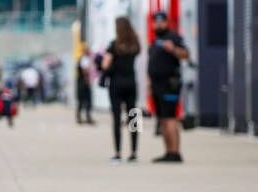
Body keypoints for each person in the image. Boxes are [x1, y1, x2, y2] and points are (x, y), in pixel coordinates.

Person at [147, 10, 190, 162]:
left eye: (161, 21)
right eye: (156, 21)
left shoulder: (173, 37)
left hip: (169, 84)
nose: (158, 24)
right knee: (163, 119)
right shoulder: (155, 41)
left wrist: (173, 49)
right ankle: (168, 152)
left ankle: (175, 152)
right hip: (157, 86)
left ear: (166, 22)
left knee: (171, 118)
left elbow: (186, 54)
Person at [101, 17, 141, 162]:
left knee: (117, 119)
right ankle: (134, 152)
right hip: (131, 83)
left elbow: (105, 64)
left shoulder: (113, 45)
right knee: (133, 117)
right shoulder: (135, 44)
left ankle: (118, 153)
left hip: (116, 84)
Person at [75, 53, 95, 125]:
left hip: (81, 83)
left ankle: (81, 117)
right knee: (87, 101)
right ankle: (86, 117)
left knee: (82, 101)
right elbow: (85, 70)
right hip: (84, 83)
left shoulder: (81, 59)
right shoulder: (85, 59)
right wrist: (88, 80)